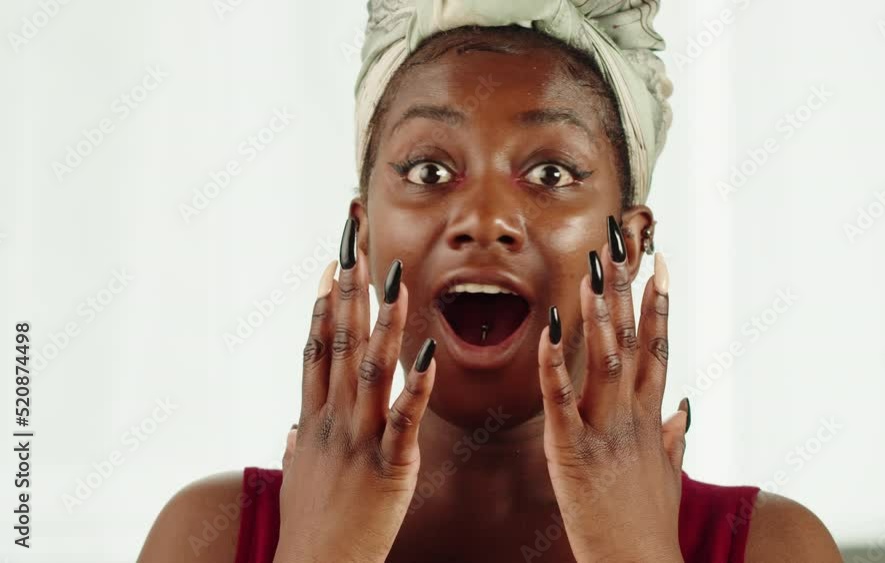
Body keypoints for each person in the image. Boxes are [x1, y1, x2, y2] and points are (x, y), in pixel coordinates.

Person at [139, 2, 841, 561]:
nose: (484, 221)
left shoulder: (770, 545)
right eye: (429, 172)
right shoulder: (213, 535)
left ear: (629, 241)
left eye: (550, 174)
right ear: (365, 227)